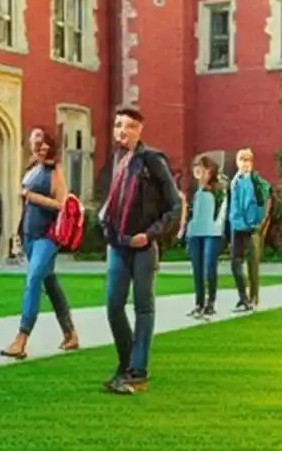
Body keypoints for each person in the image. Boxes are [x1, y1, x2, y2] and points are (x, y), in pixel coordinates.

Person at [99, 106, 182, 395]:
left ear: (138, 130)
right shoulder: (117, 160)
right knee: (113, 306)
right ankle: (126, 363)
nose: (121, 131)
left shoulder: (152, 160)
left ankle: (138, 370)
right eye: (117, 125)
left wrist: (149, 235)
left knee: (143, 307)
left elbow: (175, 206)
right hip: (118, 244)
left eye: (127, 125)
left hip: (143, 246)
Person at [0, 127, 78, 360]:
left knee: (33, 280)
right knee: (49, 283)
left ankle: (21, 339)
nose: (37, 143)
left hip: (48, 236)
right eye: (34, 139)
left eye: (41, 139)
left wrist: (30, 196)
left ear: (48, 144)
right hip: (29, 235)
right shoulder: (32, 167)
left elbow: (62, 204)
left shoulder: (55, 170)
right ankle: (70, 333)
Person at [178, 156, 226, 319]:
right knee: (197, 270)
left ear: (210, 171)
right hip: (195, 233)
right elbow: (187, 210)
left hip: (212, 233)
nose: (199, 171)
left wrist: (220, 230)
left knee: (209, 268)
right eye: (197, 167)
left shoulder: (218, 190)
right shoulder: (193, 190)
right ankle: (199, 303)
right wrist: (184, 229)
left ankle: (210, 303)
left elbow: (221, 212)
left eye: (203, 168)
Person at [225, 148, 272, 313]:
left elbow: (265, 200)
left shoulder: (254, 181)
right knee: (235, 263)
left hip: (250, 227)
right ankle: (243, 297)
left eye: (248, 160)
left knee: (253, 264)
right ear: (237, 162)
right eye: (242, 160)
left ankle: (253, 299)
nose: (245, 163)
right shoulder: (235, 181)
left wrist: (259, 221)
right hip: (236, 226)